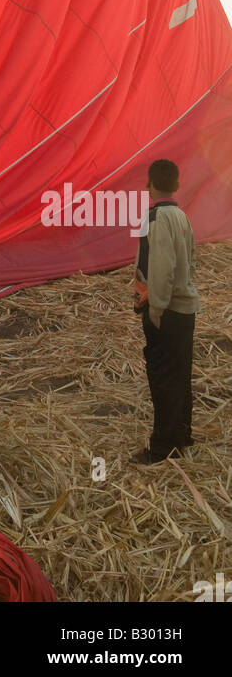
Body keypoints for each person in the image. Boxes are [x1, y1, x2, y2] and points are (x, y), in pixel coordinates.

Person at [131, 159, 198, 465]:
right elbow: (191, 260)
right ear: (177, 184)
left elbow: (161, 267)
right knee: (180, 375)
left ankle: (162, 448)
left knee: (163, 378)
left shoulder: (155, 218)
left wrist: (156, 307)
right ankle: (182, 436)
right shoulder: (183, 217)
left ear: (149, 185)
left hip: (166, 311)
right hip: (185, 309)